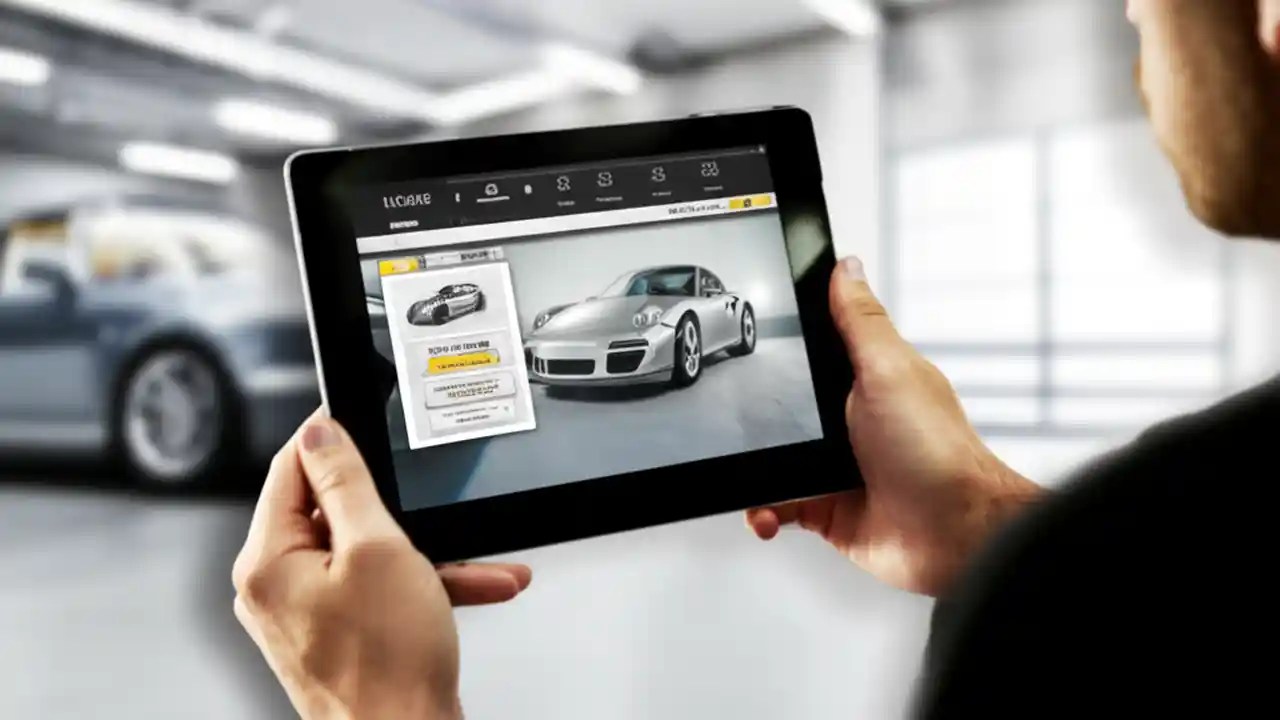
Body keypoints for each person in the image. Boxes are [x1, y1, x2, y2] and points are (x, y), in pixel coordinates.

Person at [232, 1, 1280, 716]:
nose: (1135, 18)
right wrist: (982, 527)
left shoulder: (1095, 601)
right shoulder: (1171, 567)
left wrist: (384, 706)